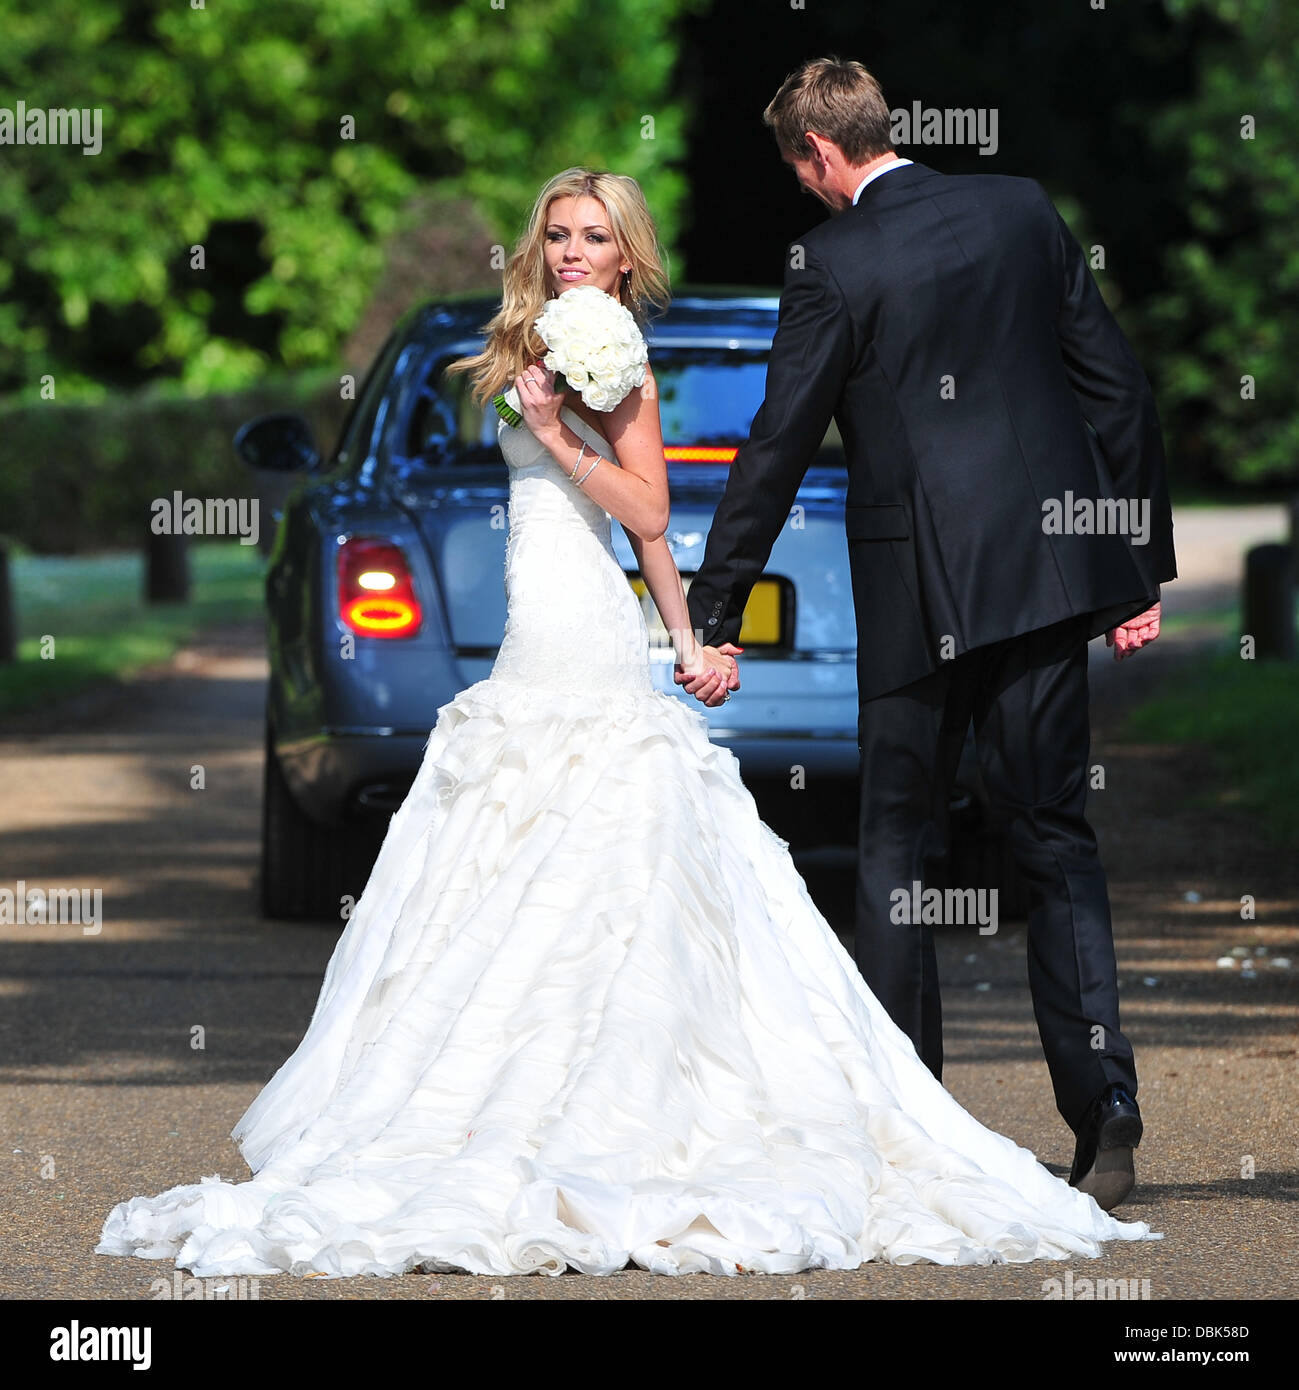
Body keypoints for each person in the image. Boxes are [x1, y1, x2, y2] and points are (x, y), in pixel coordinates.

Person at [95, 166, 1159, 1280]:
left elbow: (651, 512)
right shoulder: (515, 347)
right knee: (499, 875)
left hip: (586, 633)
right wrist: (696, 630)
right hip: (533, 633)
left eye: (594, 235)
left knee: (658, 861)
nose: (570, 251)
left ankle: (764, 1110)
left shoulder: (613, 348)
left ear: (624, 252)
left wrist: (589, 479)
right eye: (557, 232)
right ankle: (503, 1109)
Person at [679, 57, 1176, 1213]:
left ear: (817, 155)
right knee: (1055, 835)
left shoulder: (833, 265)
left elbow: (779, 444)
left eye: (796, 170)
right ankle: (1106, 1107)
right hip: (1051, 582)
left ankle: (911, 1120)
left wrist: (715, 606)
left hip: (921, 602)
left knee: (900, 850)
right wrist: (1137, 562)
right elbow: (1119, 390)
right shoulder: (1022, 209)